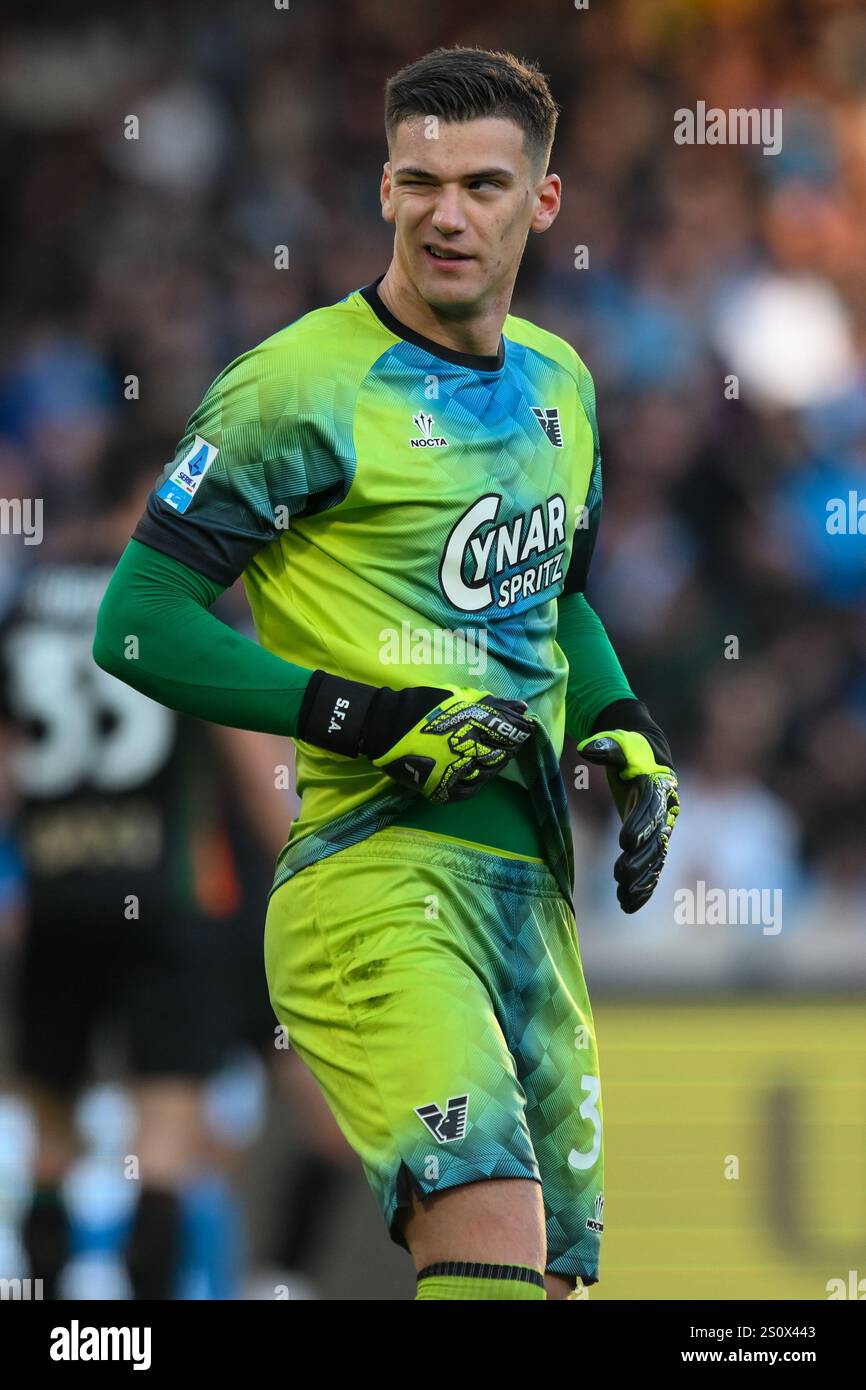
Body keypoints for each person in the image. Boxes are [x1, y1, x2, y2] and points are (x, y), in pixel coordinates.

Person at [93, 47, 679, 1301]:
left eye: (480, 184)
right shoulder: (293, 386)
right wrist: (353, 713)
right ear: (382, 188)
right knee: (489, 1245)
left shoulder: (560, 384)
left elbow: (555, 599)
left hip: (530, 890)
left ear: (545, 201)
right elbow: (135, 622)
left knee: (552, 1287)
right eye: (419, 183)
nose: (447, 215)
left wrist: (623, 721)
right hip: (371, 878)